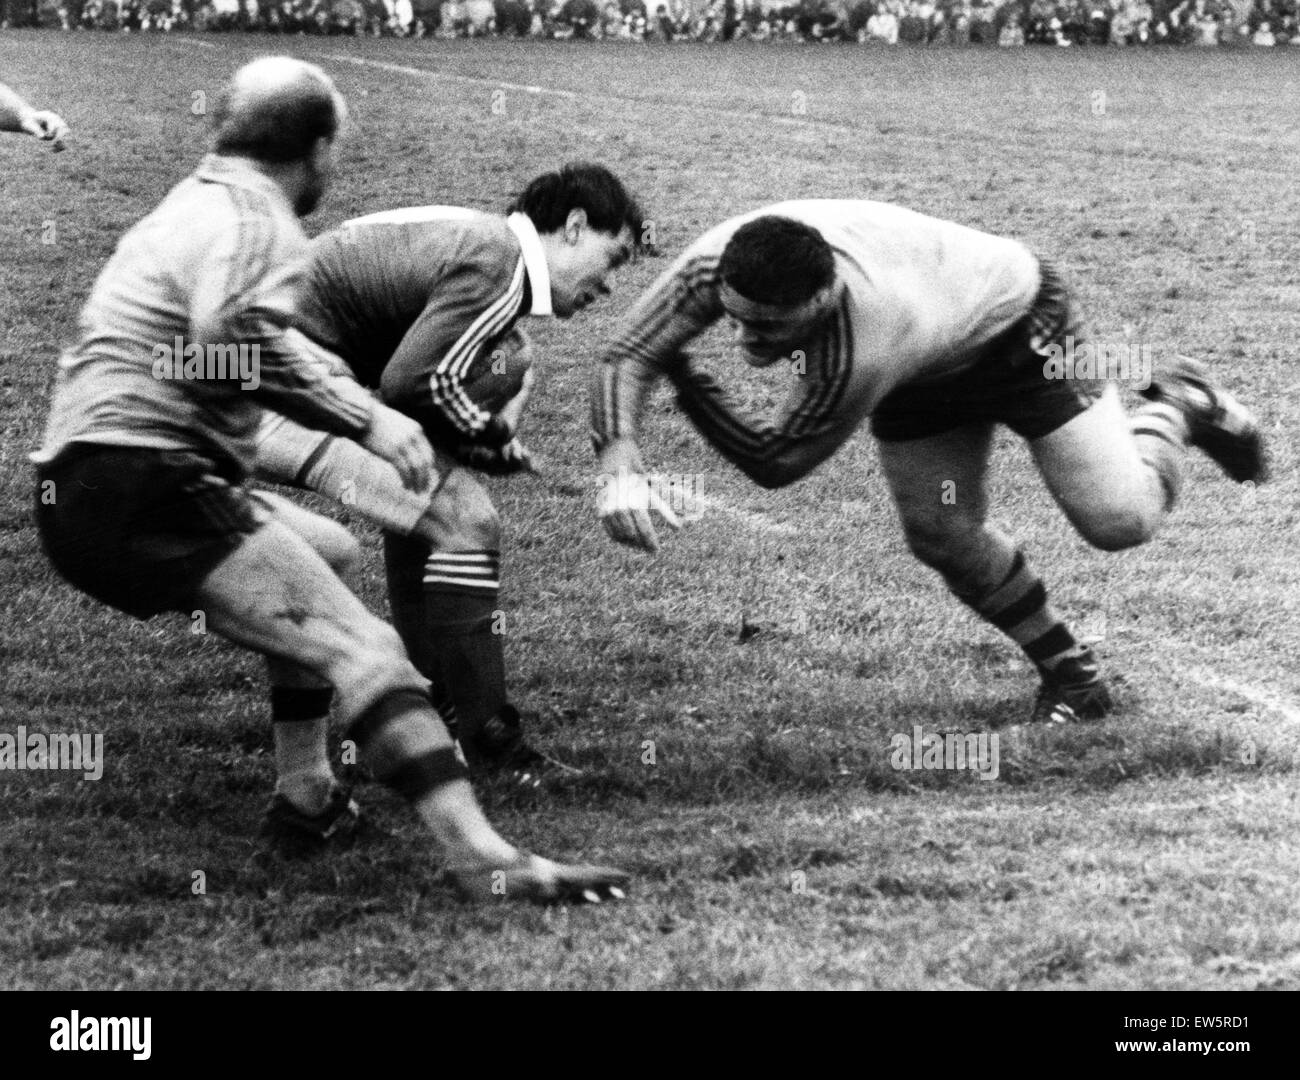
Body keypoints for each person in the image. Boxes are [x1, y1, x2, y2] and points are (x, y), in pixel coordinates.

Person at [31, 56, 627, 904]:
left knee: (329, 548)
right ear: (317, 148)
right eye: (335, 151)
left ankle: (307, 794)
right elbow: (225, 338)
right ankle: (485, 857)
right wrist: (367, 418)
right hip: (146, 480)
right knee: (367, 648)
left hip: (89, 483)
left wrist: (351, 400)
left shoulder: (197, 197)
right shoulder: (260, 217)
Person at [591, 201, 1266, 725]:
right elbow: (626, 353)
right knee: (940, 531)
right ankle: (1074, 678)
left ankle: (1178, 402)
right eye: (731, 319)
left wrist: (688, 382)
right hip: (930, 358)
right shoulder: (717, 260)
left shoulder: (865, 337)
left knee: (1120, 520)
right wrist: (620, 459)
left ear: (822, 303)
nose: (742, 339)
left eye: (767, 328)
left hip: (1021, 328)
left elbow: (775, 463)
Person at [254, 162, 643, 785]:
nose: (609, 285)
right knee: (468, 518)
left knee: (500, 377)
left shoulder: (485, 241)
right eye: (614, 256)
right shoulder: (502, 263)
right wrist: (488, 437)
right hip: (272, 381)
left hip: (260, 368)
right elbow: (413, 384)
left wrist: (473, 437)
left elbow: (407, 376)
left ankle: (430, 704)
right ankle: (484, 732)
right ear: (573, 226)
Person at [0, 80, 69, 145]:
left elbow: (28, 123)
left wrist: (43, 135)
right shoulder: (28, 118)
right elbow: (28, 124)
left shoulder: (29, 116)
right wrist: (42, 135)